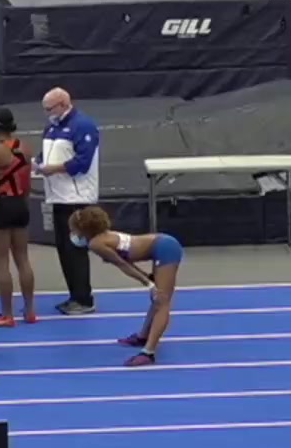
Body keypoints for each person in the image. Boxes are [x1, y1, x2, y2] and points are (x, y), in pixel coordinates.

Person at [69, 206, 183, 368]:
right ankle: (143, 336)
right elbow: (126, 262)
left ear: (83, 230)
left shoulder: (96, 243)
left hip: (166, 248)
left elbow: (122, 264)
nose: (72, 234)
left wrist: (148, 283)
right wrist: (146, 278)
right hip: (161, 247)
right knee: (157, 299)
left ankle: (148, 353)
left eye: (73, 230)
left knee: (162, 300)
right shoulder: (102, 238)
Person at [36, 87, 102, 316]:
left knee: (75, 249)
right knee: (64, 249)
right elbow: (45, 155)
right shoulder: (52, 127)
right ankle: (74, 295)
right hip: (57, 196)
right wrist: (37, 164)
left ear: (64, 103)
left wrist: (52, 169)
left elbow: (82, 162)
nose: (47, 113)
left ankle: (84, 298)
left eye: (50, 109)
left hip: (77, 197)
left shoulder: (83, 125)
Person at [0, 106, 38, 327]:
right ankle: (30, 310)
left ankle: (7, 314)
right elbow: (27, 184)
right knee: (23, 259)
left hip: (1, 206)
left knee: (1, 263)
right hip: (20, 206)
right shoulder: (26, 148)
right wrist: (24, 205)